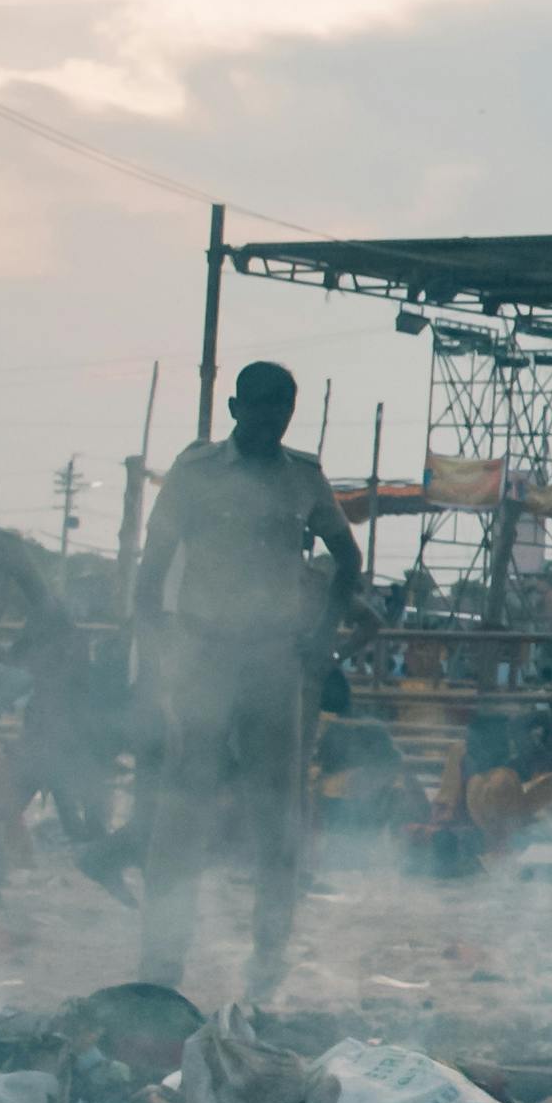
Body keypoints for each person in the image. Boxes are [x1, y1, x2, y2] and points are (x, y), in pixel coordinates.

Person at [133, 356, 361, 997]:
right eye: (257, 405)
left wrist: (320, 640)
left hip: (271, 661)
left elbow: (348, 558)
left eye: (280, 407)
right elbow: (152, 568)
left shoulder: (304, 479)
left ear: (291, 413)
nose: (268, 418)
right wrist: (155, 652)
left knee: (278, 815)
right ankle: (159, 966)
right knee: (182, 810)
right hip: (204, 655)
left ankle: (267, 964)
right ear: (235, 408)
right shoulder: (196, 472)